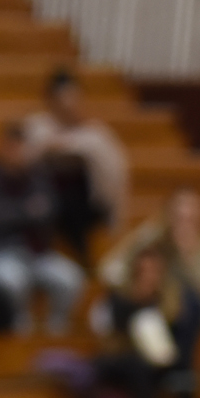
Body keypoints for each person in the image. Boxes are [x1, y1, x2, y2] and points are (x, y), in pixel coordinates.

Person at [0, 122, 84, 336]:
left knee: (71, 278)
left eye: (21, 147)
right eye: (12, 147)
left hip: (36, 254)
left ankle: (56, 330)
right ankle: (20, 332)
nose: (17, 154)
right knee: (15, 280)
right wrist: (27, 211)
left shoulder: (38, 177)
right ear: (3, 148)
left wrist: (16, 212)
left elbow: (51, 209)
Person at [88, 245, 200, 398]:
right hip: (126, 355)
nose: (148, 276)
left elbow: (174, 341)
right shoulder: (120, 298)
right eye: (143, 271)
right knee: (126, 366)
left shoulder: (171, 301)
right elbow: (115, 336)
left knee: (178, 372)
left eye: (153, 271)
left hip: (160, 361)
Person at [23, 68, 128, 260]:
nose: (70, 106)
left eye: (74, 99)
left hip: (86, 203)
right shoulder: (35, 127)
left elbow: (115, 172)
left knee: (74, 200)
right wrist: (49, 150)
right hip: (44, 199)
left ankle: (82, 255)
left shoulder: (97, 133)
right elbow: (22, 159)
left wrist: (76, 151)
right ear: (51, 100)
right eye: (63, 99)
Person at [99, 187, 200, 297]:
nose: (184, 227)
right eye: (179, 218)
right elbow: (108, 270)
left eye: (190, 219)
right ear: (168, 216)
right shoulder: (152, 236)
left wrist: (186, 256)